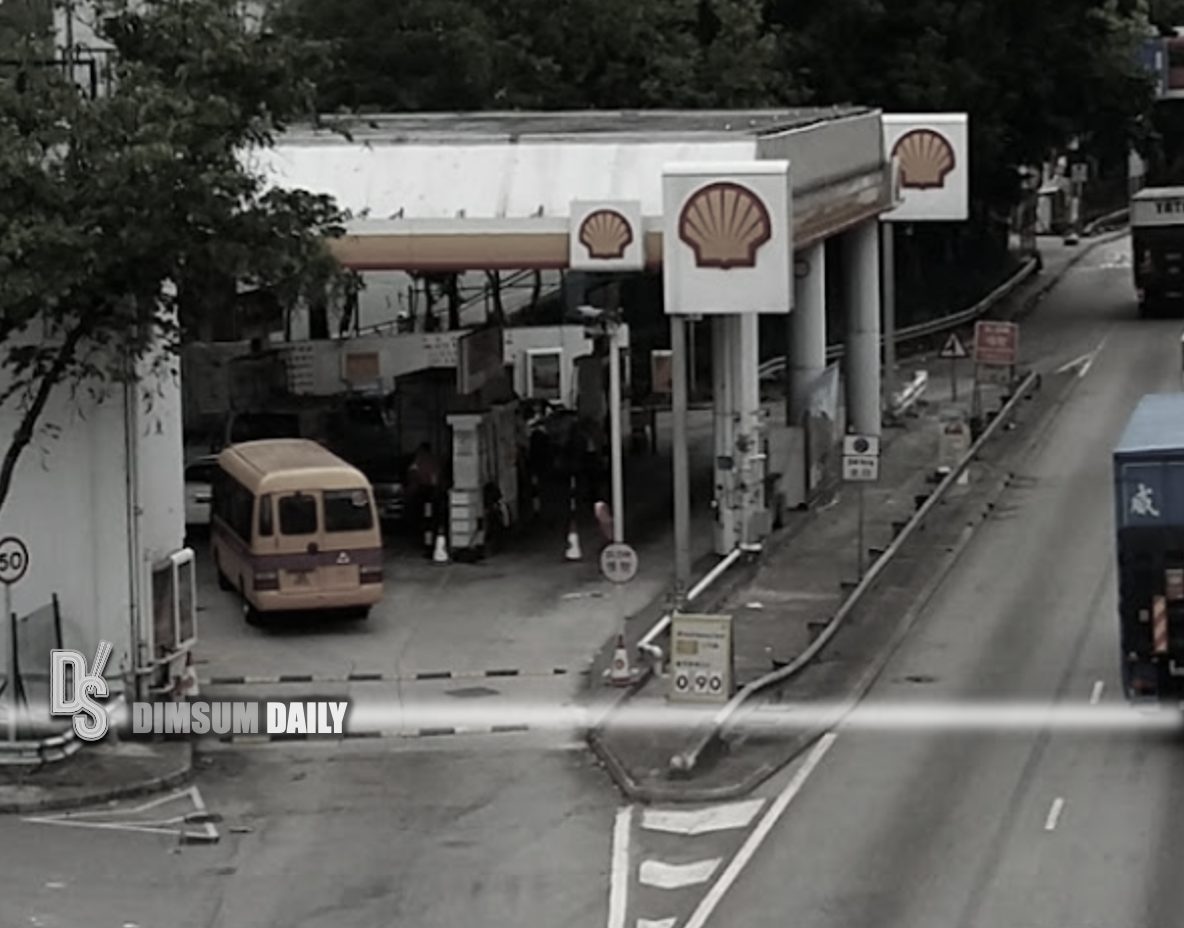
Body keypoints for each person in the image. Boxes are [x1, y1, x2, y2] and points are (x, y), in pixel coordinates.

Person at [407, 442, 442, 555]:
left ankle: (428, 545)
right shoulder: (433, 460)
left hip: (424, 492)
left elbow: (413, 472)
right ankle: (430, 544)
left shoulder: (420, 459)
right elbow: (436, 476)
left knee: (426, 520)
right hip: (431, 492)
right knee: (430, 520)